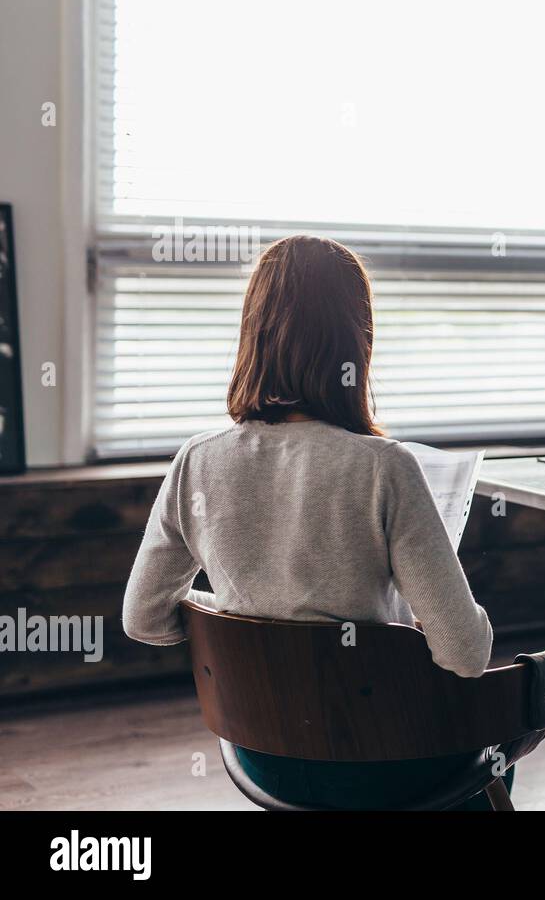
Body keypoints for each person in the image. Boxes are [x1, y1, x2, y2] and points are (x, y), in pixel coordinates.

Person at [122, 235, 499, 809]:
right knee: (493, 741)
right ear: (356, 342)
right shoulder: (386, 469)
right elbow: (464, 656)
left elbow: (144, 619)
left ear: (254, 332)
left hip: (259, 755)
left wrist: (250, 617)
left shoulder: (197, 460)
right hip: (382, 755)